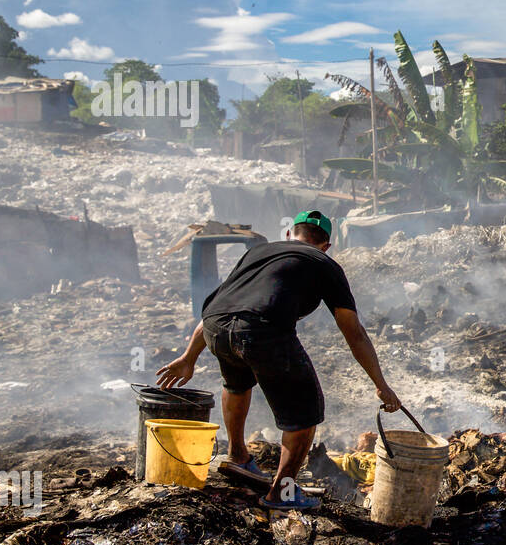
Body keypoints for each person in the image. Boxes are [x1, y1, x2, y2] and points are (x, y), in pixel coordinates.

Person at [156, 210, 400, 511]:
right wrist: (381, 384)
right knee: (305, 413)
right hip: (262, 330)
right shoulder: (324, 263)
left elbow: (224, 305)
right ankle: (281, 492)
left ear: (289, 234)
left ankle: (238, 457)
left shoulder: (259, 252)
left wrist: (187, 357)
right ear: (326, 245)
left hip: (215, 328)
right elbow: (354, 332)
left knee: (236, 384)